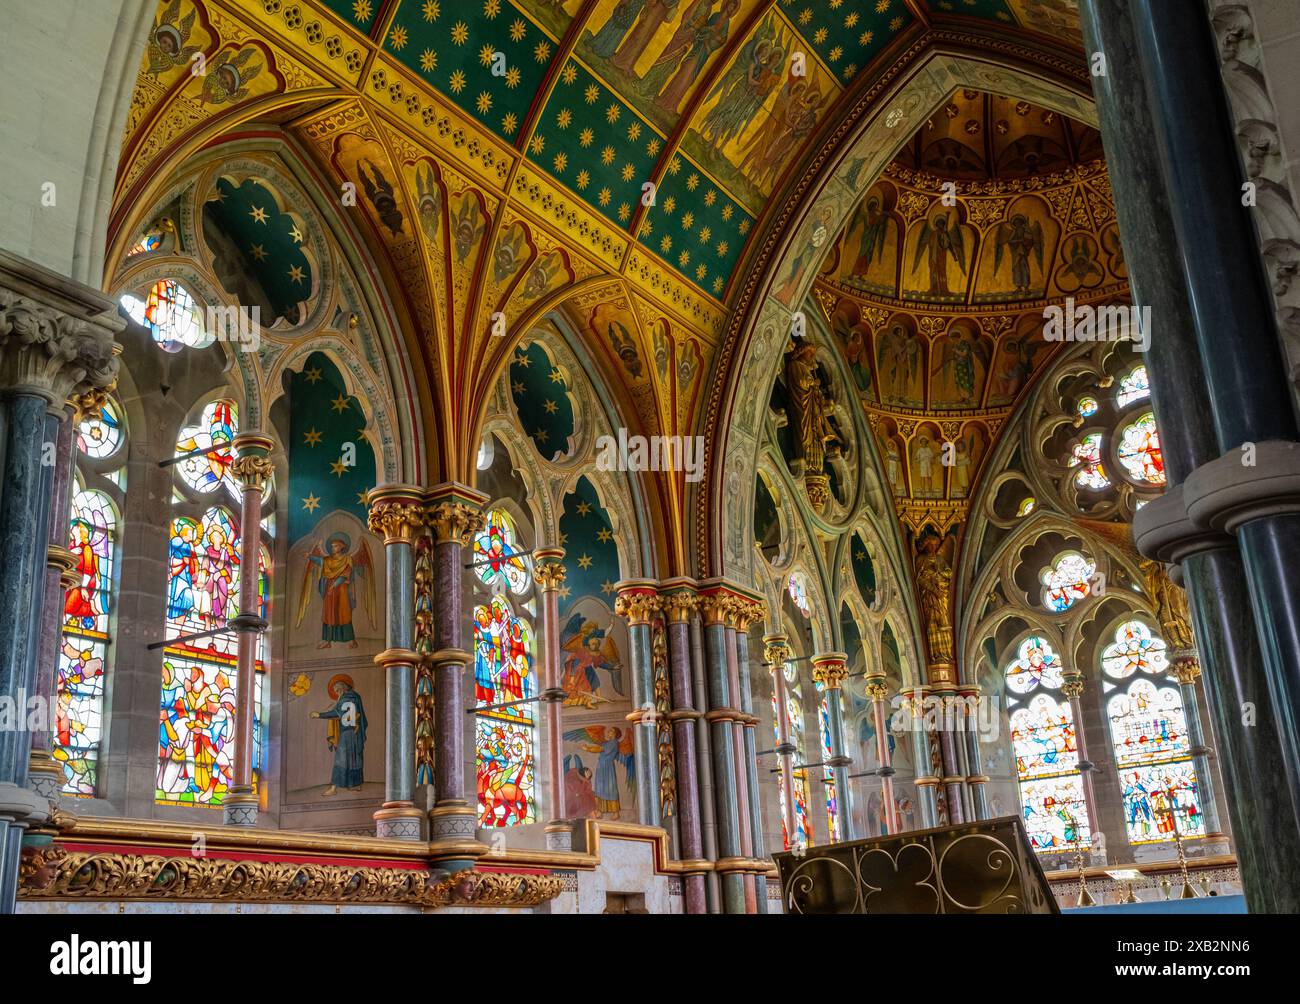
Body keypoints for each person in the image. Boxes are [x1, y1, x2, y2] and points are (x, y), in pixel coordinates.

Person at [311, 674, 367, 795]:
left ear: (342, 689)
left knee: (340, 759)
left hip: (347, 733)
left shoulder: (343, 699)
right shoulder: (356, 697)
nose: (336, 693)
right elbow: (361, 716)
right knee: (354, 758)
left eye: (337, 691)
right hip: (356, 733)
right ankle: (355, 785)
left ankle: (333, 788)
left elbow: (336, 713)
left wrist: (319, 715)